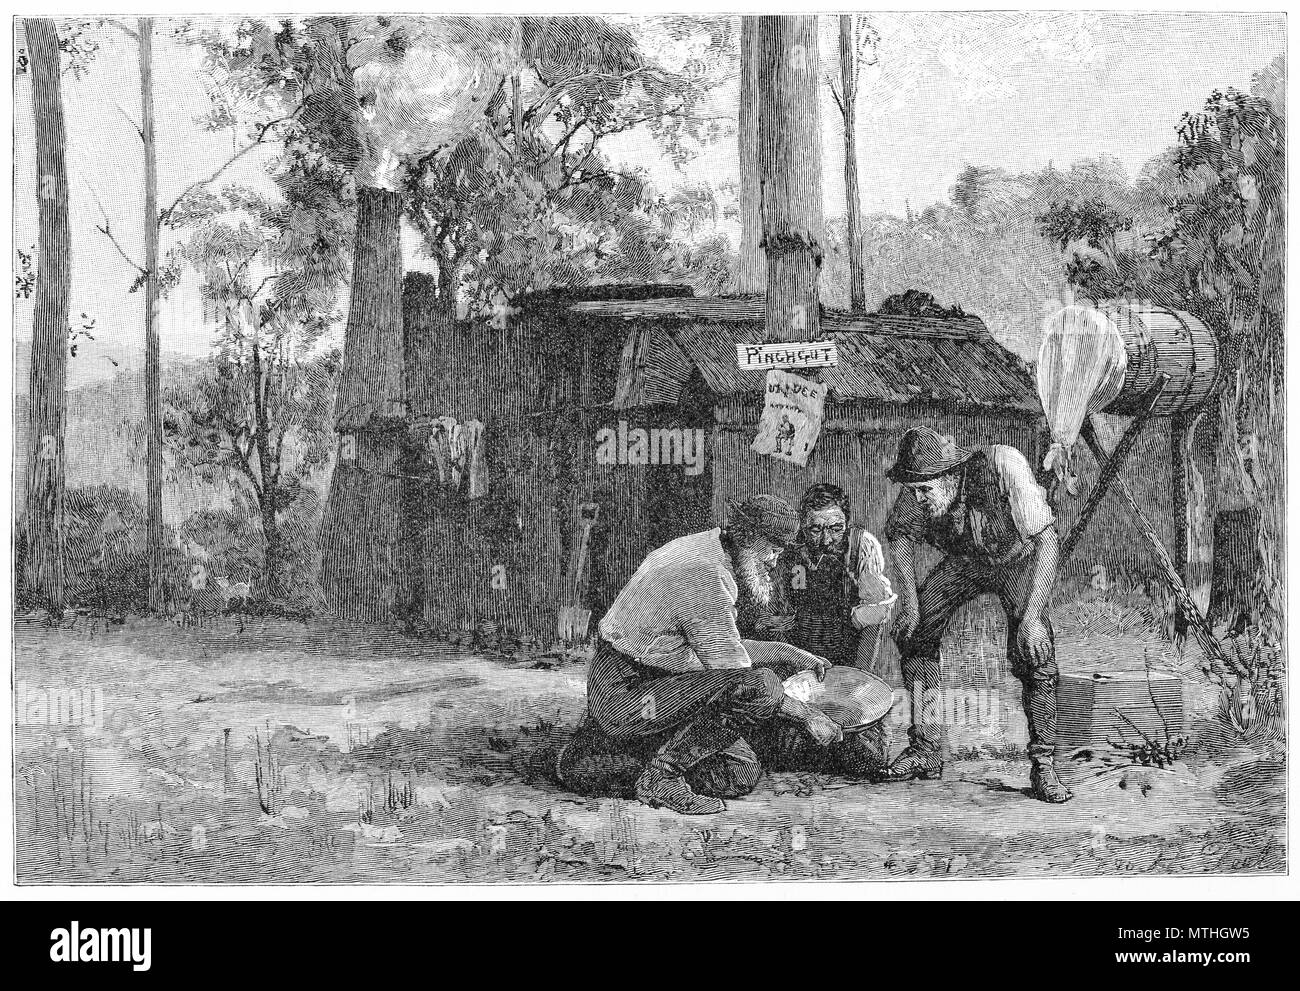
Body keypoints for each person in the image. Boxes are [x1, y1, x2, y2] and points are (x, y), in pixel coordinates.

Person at [555, 495, 845, 815]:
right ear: (751, 540)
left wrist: (790, 654)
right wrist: (809, 715)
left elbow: (721, 647)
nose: (774, 562)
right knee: (763, 687)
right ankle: (659, 776)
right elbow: (737, 676)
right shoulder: (704, 574)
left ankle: (604, 754)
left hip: (650, 680)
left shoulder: (707, 548)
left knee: (739, 772)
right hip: (625, 689)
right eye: (773, 550)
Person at [882, 426, 1073, 803]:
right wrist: (911, 601)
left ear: (951, 474)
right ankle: (926, 749)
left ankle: (1044, 764)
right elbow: (901, 537)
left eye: (925, 490)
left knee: (1035, 652)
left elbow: (1047, 541)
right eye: (914, 490)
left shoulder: (1004, 465)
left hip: (1017, 560)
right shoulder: (919, 488)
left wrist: (1033, 615)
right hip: (965, 564)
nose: (918, 499)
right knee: (914, 635)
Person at [744, 483, 895, 777]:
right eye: (815, 529)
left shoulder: (863, 547)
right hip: (798, 661)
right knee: (785, 754)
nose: (826, 539)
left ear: (847, 523)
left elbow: (873, 620)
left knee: (869, 758)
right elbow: (770, 617)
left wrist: (856, 682)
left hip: (845, 662)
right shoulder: (784, 547)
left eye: (835, 529)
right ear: (803, 524)